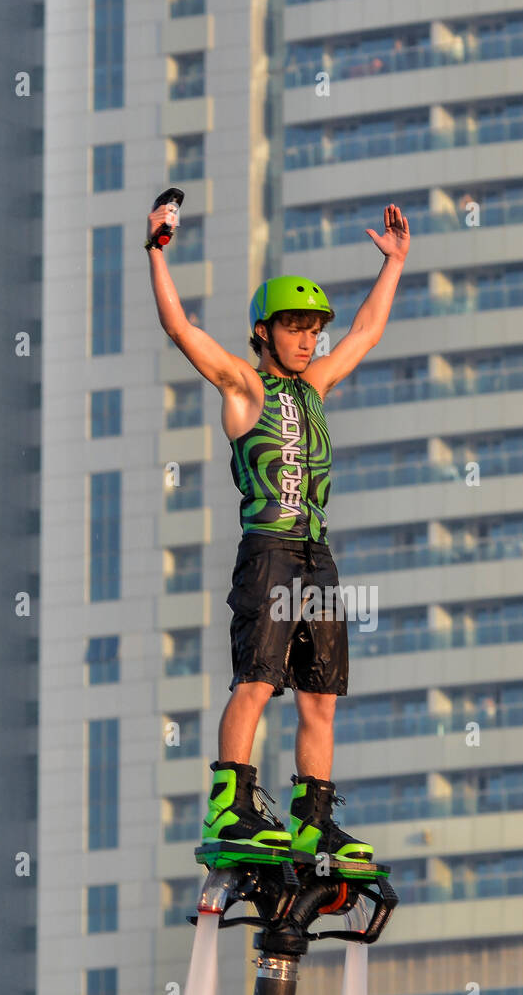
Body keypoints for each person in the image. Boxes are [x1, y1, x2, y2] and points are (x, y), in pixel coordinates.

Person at [145, 201, 410, 865]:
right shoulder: (243, 385)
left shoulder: (315, 386)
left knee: (320, 696)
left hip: (317, 557)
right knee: (258, 680)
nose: (307, 340)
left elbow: (366, 333)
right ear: (263, 332)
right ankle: (230, 807)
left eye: (313, 329)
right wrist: (157, 251)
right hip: (267, 550)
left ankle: (312, 822)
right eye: (294, 328)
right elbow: (179, 328)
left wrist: (394, 264)